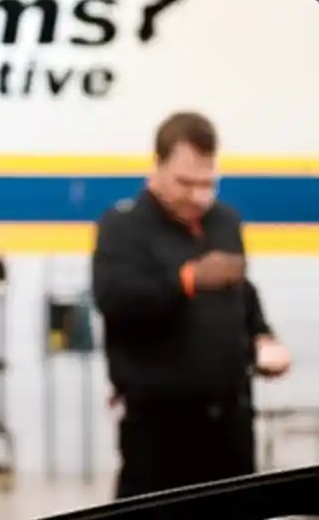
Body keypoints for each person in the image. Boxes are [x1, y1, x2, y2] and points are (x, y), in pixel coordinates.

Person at [91, 111, 291, 500]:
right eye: (186, 183)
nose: (198, 196)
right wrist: (186, 280)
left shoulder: (225, 222)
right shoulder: (123, 227)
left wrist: (262, 336)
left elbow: (242, 294)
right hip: (158, 430)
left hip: (230, 425)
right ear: (158, 166)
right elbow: (115, 299)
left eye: (207, 183)